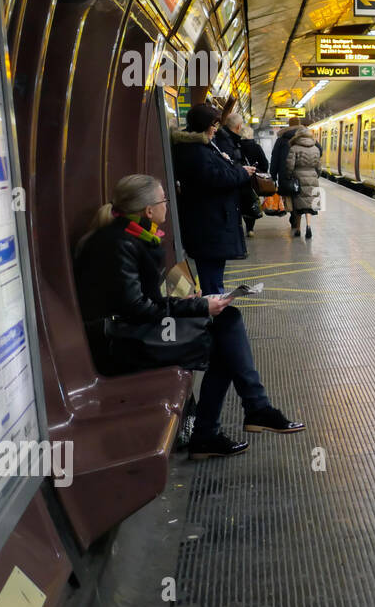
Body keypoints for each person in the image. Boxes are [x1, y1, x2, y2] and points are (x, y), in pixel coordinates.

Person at [73, 174, 305, 459]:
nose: (167, 206)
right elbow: (137, 310)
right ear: (148, 210)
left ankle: (243, 416)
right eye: (163, 201)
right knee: (225, 337)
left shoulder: (130, 237)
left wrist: (188, 303)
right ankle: (236, 419)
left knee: (227, 323)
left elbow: (141, 303)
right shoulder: (119, 244)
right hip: (123, 342)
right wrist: (198, 307)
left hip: (133, 329)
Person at [172, 103, 254, 294]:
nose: (215, 129)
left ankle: (215, 311)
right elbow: (216, 178)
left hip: (211, 222)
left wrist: (230, 165)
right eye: (213, 124)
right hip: (208, 224)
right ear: (203, 124)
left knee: (214, 276)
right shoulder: (196, 150)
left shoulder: (201, 146)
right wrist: (241, 172)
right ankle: (215, 316)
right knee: (212, 279)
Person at [224, 111, 268, 237]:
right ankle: (250, 228)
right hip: (251, 181)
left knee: (239, 203)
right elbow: (265, 164)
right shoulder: (256, 147)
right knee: (251, 202)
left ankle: (239, 226)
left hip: (237, 179)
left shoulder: (235, 145)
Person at [285, 121, 321, 239]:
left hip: (298, 178)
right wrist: (316, 175)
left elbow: (290, 165)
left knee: (298, 206)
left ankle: (298, 229)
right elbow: (319, 166)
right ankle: (309, 226)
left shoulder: (294, 148)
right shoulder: (316, 148)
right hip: (312, 178)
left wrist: (289, 176)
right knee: (309, 205)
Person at [270, 115, 303, 235]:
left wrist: (272, 176)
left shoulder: (281, 139)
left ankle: (292, 214)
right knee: (299, 196)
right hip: (301, 174)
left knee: (289, 195)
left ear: (289, 125)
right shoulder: (306, 137)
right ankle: (296, 217)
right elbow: (319, 150)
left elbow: (275, 158)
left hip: (284, 173)